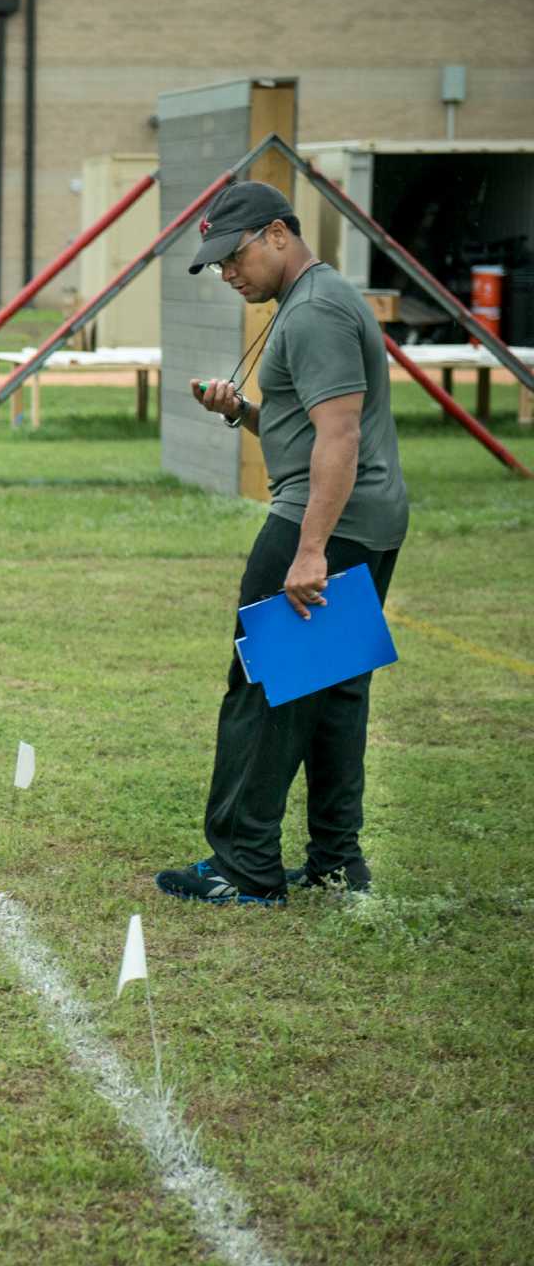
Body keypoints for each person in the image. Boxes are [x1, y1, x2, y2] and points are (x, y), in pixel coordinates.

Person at [158, 181, 408, 906]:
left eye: (232, 258)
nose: (227, 274)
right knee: (332, 694)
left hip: (325, 523)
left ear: (275, 233)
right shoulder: (308, 301)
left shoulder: (318, 310)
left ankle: (243, 868)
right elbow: (308, 427)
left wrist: (310, 550)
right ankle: (336, 860)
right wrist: (244, 412)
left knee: (264, 684)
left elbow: (340, 435)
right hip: (366, 519)